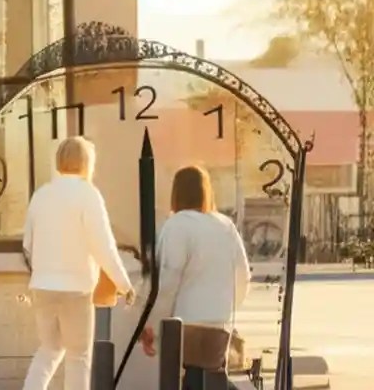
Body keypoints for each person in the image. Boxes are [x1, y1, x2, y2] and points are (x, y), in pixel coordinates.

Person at [22, 136, 134, 390]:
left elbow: (27, 244)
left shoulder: (41, 195)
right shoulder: (88, 195)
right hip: (77, 288)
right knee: (78, 357)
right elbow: (103, 245)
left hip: (42, 287)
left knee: (49, 349)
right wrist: (124, 285)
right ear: (87, 163)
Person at [141, 166, 251, 387]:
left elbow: (167, 281)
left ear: (176, 193)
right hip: (218, 326)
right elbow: (243, 276)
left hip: (183, 326)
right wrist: (226, 309)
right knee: (210, 382)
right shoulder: (226, 226)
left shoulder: (176, 225)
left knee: (181, 382)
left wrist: (150, 323)